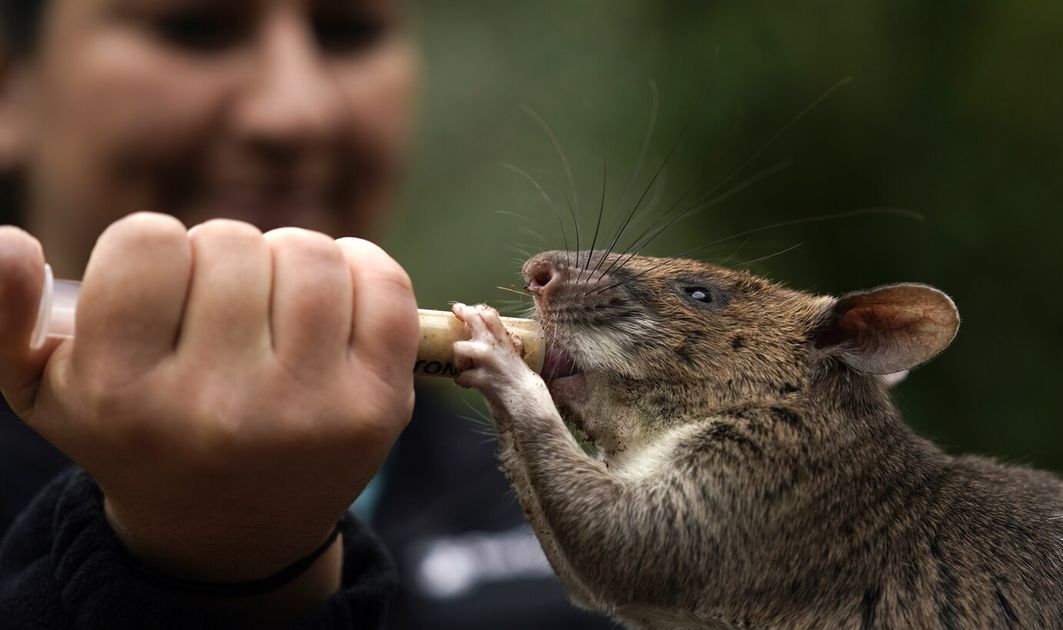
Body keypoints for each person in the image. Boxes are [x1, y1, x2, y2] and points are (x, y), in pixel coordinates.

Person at [0, 1, 615, 627]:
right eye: (193, 28)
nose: (297, 112)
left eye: (348, 33)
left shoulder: (570, 532)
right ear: (9, 84)